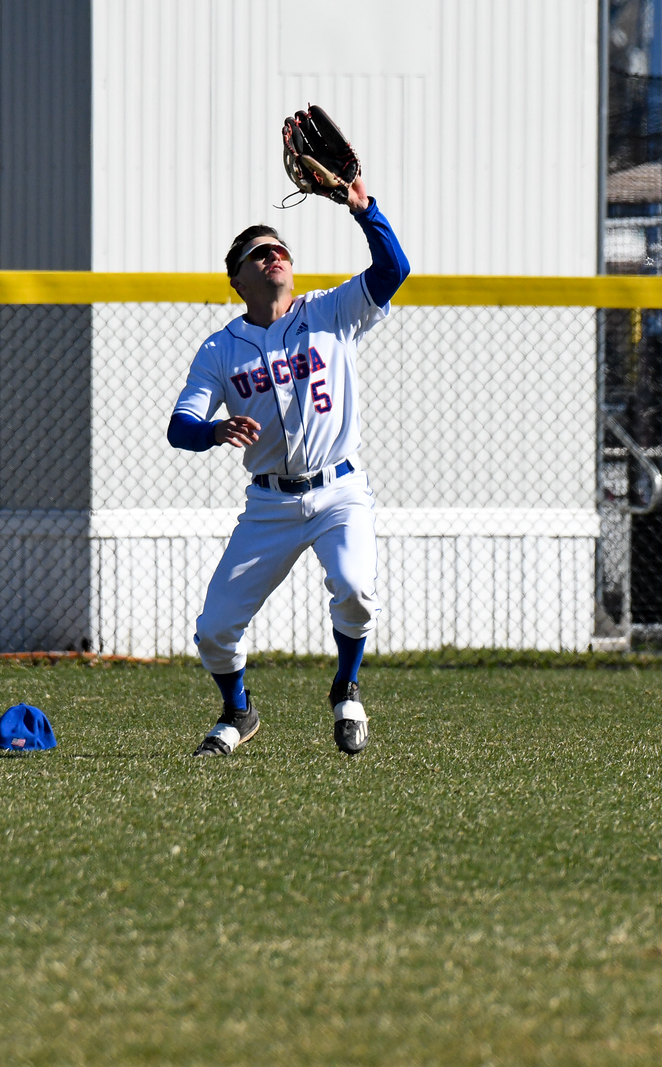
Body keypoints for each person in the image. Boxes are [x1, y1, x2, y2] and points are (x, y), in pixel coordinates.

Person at [167, 173, 409, 756]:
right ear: (237, 279)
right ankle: (238, 711)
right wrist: (212, 430)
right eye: (260, 253)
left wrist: (365, 210)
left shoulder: (329, 311)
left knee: (355, 590)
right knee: (215, 630)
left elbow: (393, 270)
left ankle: (346, 689)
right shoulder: (220, 349)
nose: (274, 256)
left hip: (339, 490)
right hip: (270, 503)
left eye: (281, 250)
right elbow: (180, 426)